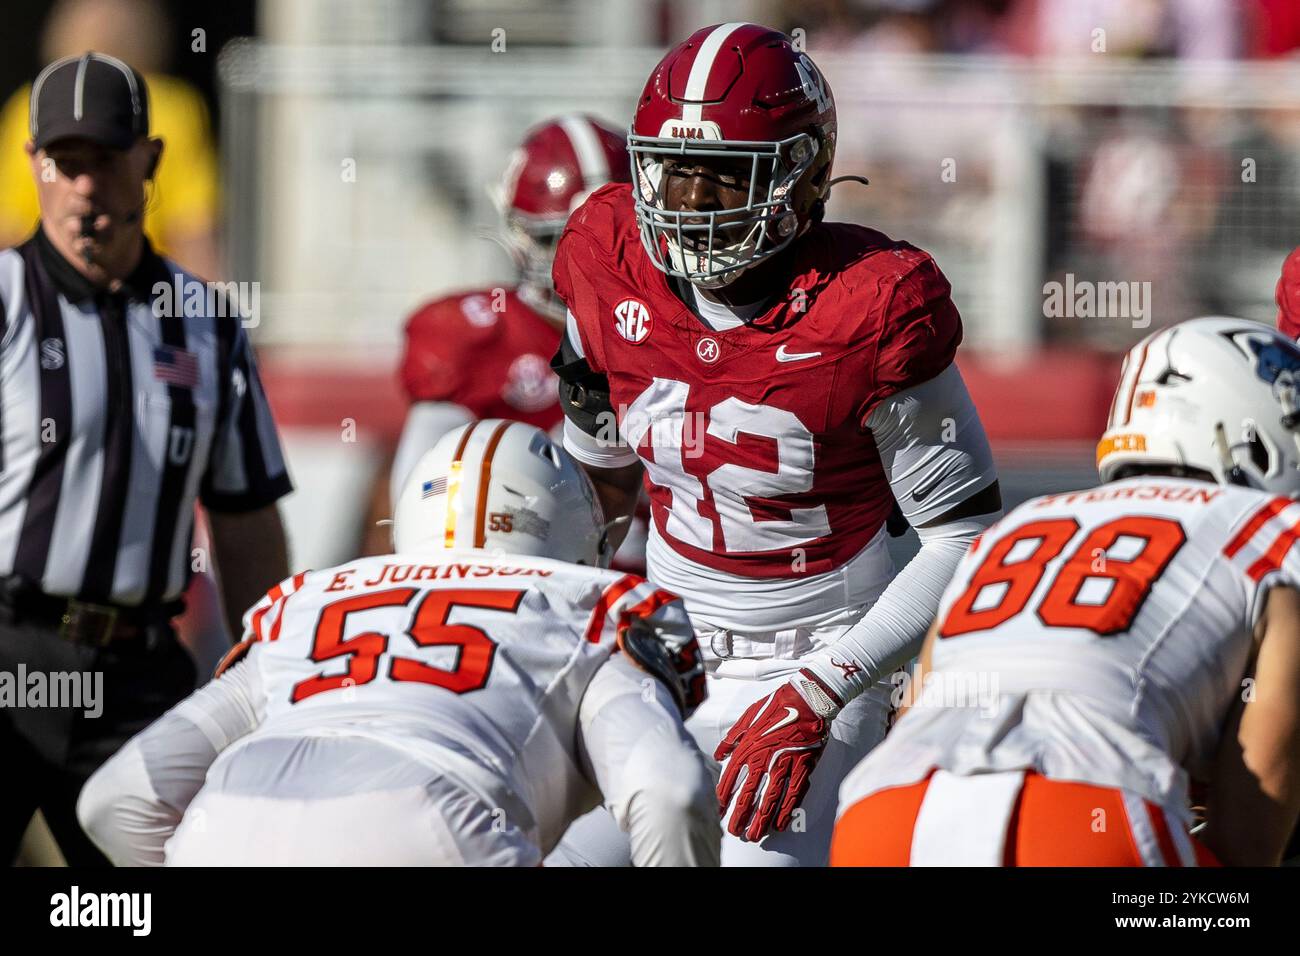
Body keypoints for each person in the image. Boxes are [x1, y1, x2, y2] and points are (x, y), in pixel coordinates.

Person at [547, 22, 1000, 866]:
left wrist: (822, 690)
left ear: (805, 174)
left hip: (822, 660)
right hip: (664, 649)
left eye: (723, 176)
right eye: (672, 170)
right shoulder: (605, 258)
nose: (688, 203)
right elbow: (595, 485)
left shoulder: (873, 303)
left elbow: (963, 538)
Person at [77, 420, 720, 866]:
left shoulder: (309, 606)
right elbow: (669, 791)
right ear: (576, 538)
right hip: (439, 829)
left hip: (224, 831)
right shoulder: (586, 606)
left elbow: (118, 798)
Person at [833, 316, 1300, 866]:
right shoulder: (1272, 529)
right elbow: (1256, 818)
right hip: (1083, 813)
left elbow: (918, 705)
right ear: (1257, 433)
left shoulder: (1017, 529)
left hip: (887, 813)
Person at [0, 52, 291, 865]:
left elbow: (245, 519)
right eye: (65, 162)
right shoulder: (5, 300)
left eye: (106, 159)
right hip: (9, 648)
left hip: (137, 673)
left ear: (151, 162)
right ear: (34, 168)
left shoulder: (206, 324)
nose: (85, 187)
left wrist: (274, 678)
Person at [360, 114, 647, 565]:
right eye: (563, 240)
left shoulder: (676, 328)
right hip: (527, 586)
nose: (593, 262)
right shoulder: (474, 337)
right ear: (520, 236)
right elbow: (412, 510)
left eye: (618, 238)